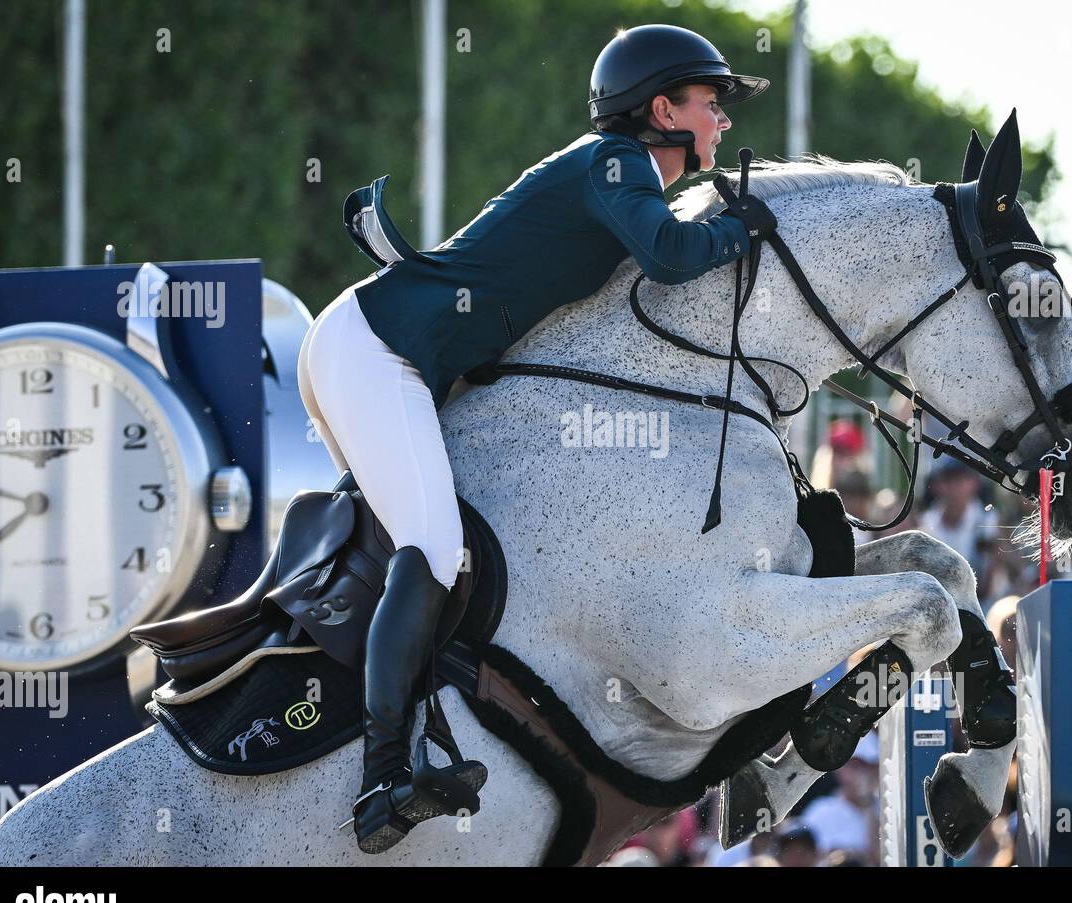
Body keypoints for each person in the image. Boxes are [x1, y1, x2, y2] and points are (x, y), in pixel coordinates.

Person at [300, 23, 777, 853]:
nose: (724, 122)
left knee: (435, 549)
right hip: (378, 351)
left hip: (384, 350)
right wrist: (743, 230)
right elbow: (669, 256)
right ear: (662, 109)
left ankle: (394, 733)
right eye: (711, 104)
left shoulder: (620, 177)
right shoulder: (617, 162)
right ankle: (381, 780)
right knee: (436, 545)